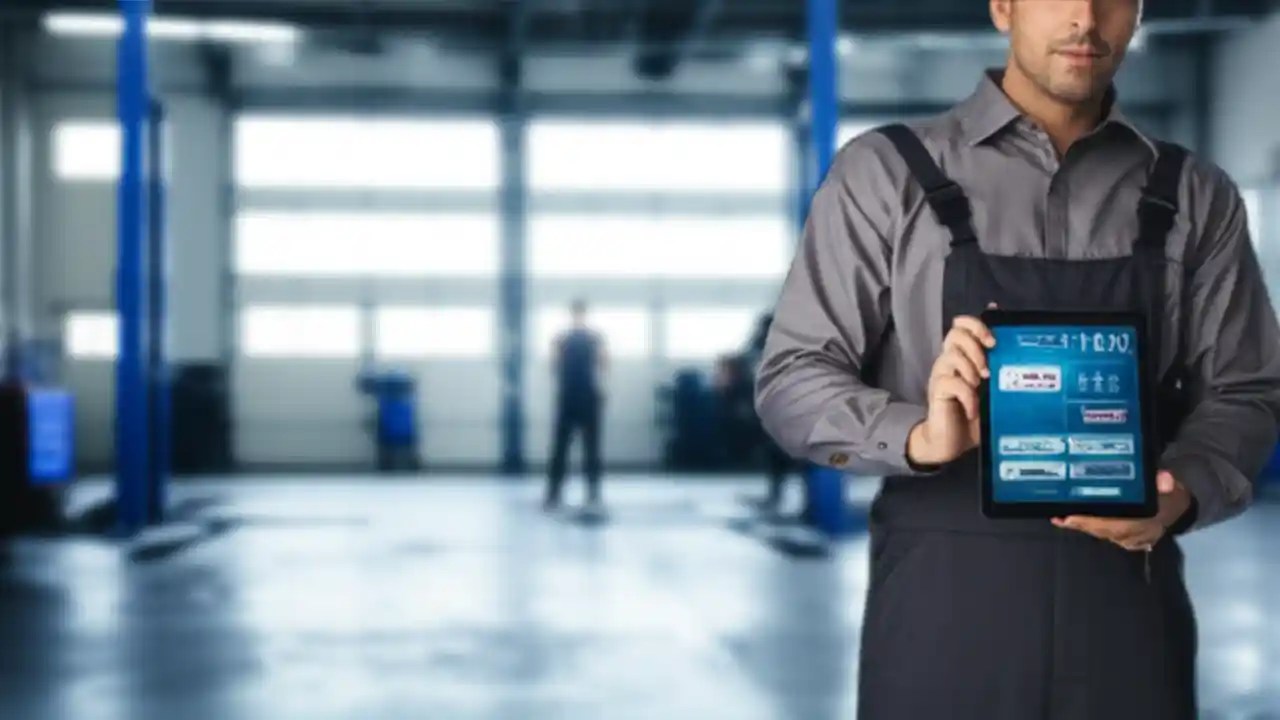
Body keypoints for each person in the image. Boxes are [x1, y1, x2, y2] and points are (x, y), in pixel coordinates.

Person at [754, 1, 1280, 718]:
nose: (1085, 18)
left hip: (1126, 610)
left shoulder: (1194, 194)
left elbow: (1248, 390)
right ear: (1003, 4)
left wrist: (1182, 491)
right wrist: (917, 434)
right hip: (943, 611)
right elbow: (792, 379)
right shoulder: (888, 174)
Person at [545, 299, 608, 511]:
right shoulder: (568, 338)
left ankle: (590, 493)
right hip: (574, 396)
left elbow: (604, 363)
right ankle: (555, 492)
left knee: (589, 448)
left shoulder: (582, 338)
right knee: (563, 447)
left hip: (582, 396)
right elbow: (554, 364)